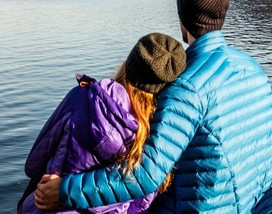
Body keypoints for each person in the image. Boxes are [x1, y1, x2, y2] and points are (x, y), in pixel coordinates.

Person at [35, 0, 272, 214]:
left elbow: (146, 175)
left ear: (182, 20)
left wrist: (65, 191)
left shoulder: (187, 88)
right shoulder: (250, 66)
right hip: (265, 201)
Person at [19, 33, 187, 214]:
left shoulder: (81, 97)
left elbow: (34, 163)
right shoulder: (160, 131)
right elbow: (142, 199)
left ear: (128, 65)